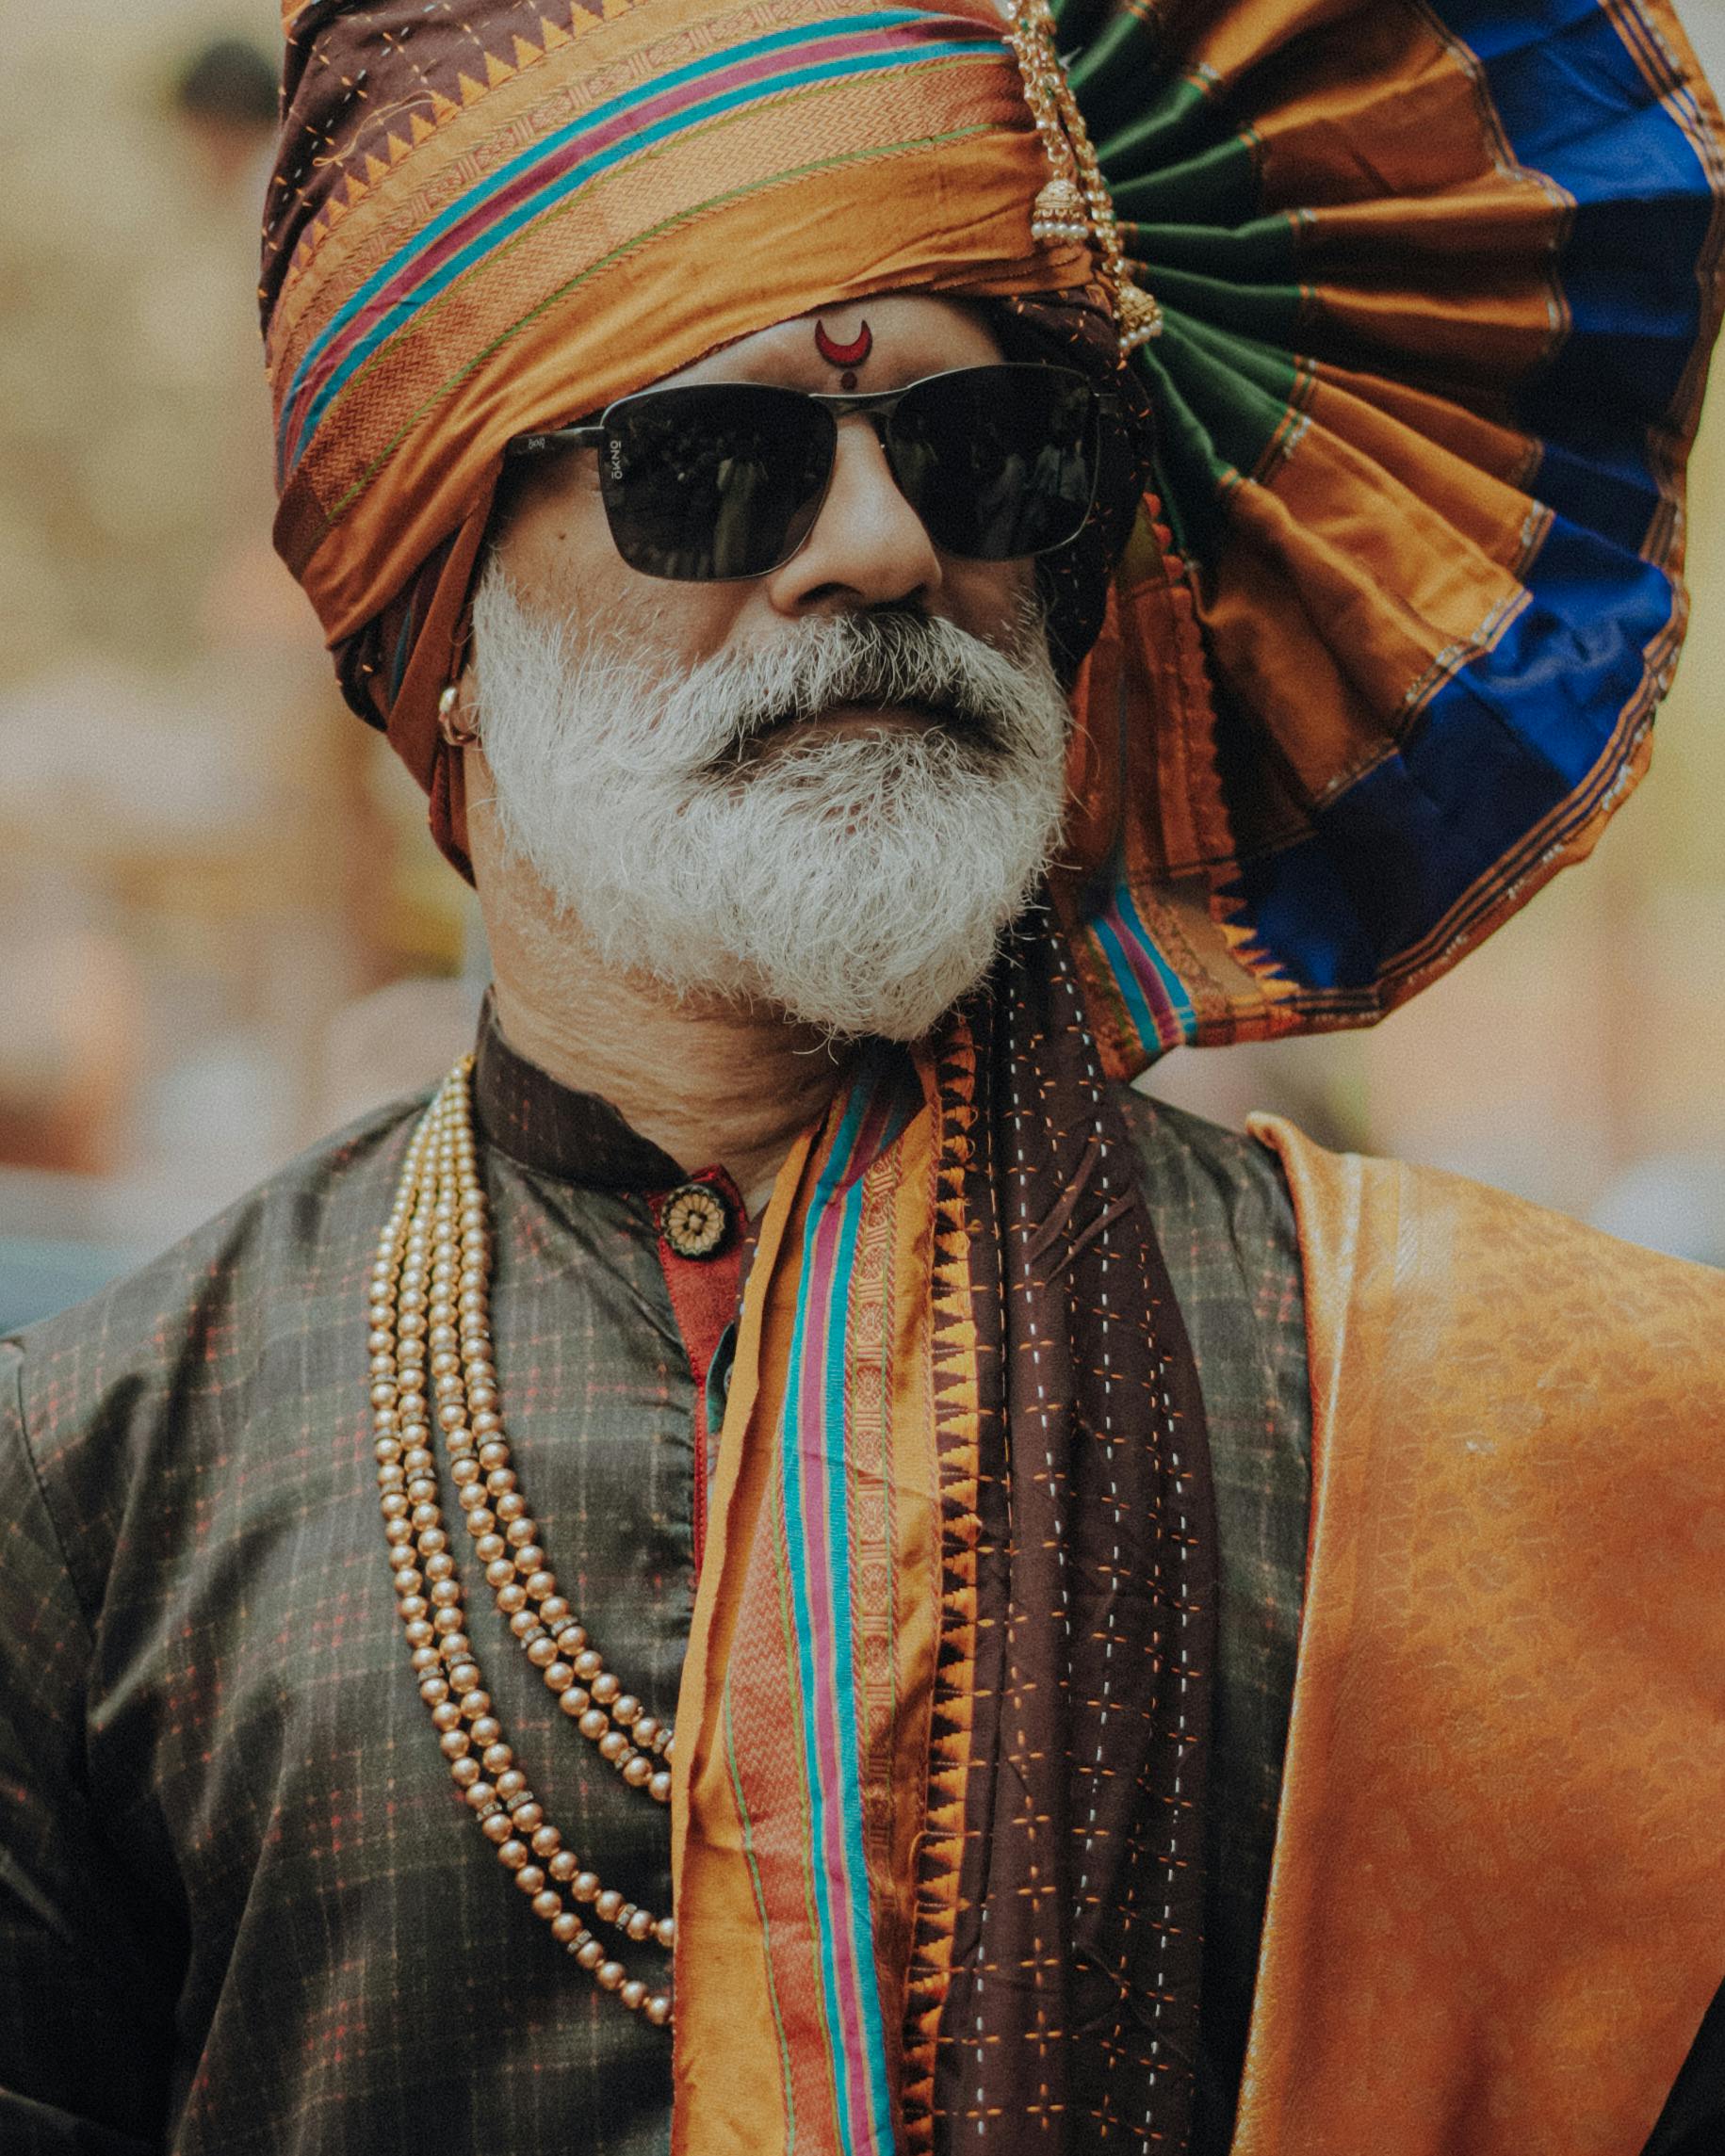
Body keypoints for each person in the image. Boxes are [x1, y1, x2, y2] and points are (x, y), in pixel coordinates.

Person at [3, 1, 1722, 2151]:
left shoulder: (1498, 1418)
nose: (882, 548)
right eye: (709, 469)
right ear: (447, 642)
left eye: (982, 451)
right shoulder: (99, 1476)